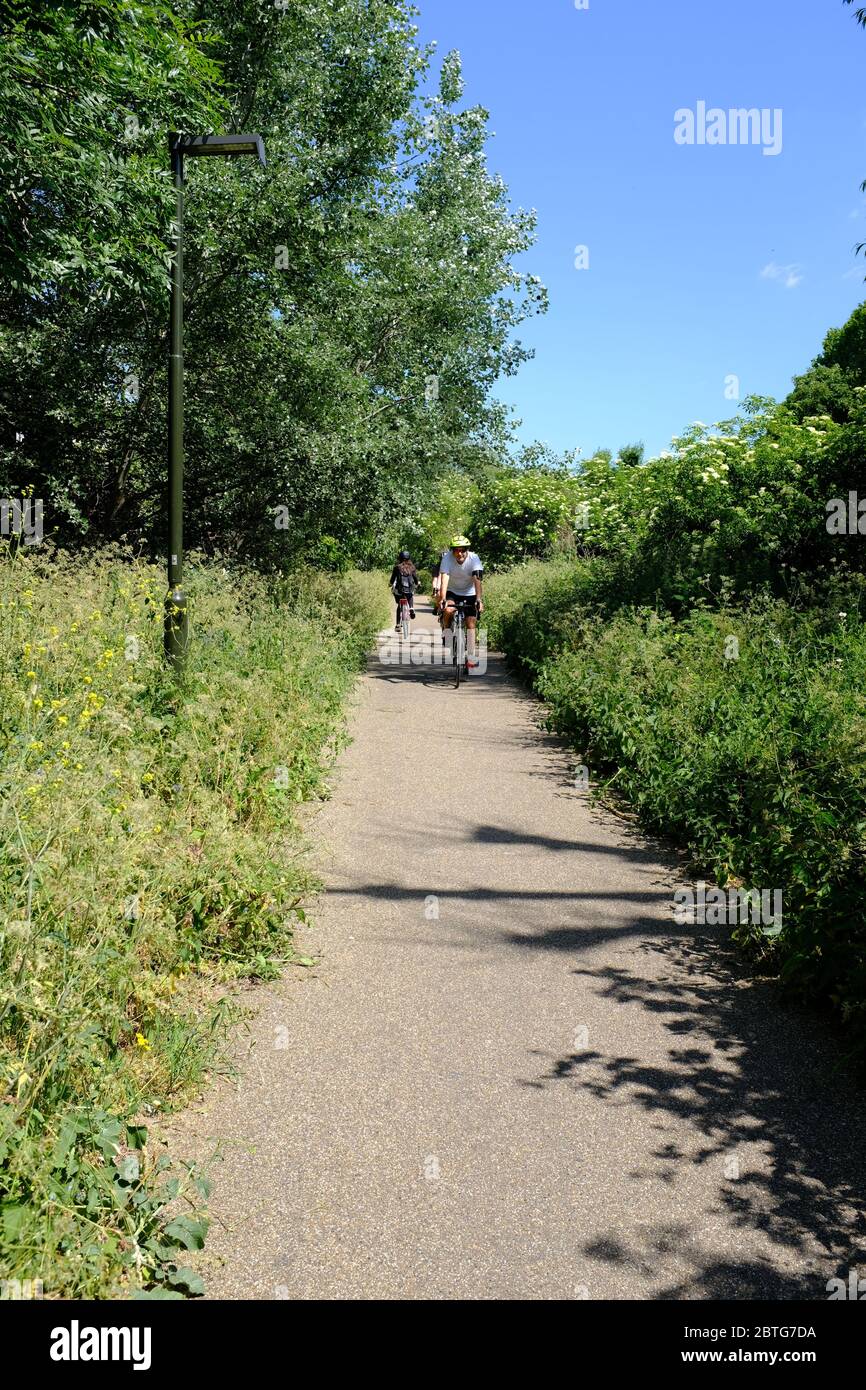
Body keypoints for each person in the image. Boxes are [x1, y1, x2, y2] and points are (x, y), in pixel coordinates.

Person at [438, 534, 484, 668]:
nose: (460, 553)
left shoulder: (474, 558)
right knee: (448, 609)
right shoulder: (447, 558)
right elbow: (444, 579)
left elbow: (477, 580)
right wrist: (443, 599)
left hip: (470, 593)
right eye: (456, 550)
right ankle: (446, 631)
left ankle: (470, 656)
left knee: (471, 624)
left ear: (467, 550)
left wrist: (479, 600)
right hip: (452, 591)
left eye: (463, 550)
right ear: (452, 551)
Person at [390, 549, 419, 630]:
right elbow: (415, 578)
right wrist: (417, 583)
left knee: (399, 605)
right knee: (410, 595)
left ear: (400, 558)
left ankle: (398, 624)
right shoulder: (412, 567)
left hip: (399, 590)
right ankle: (411, 608)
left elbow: (392, 579)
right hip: (409, 589)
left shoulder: (397, 567)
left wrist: (389, 584)